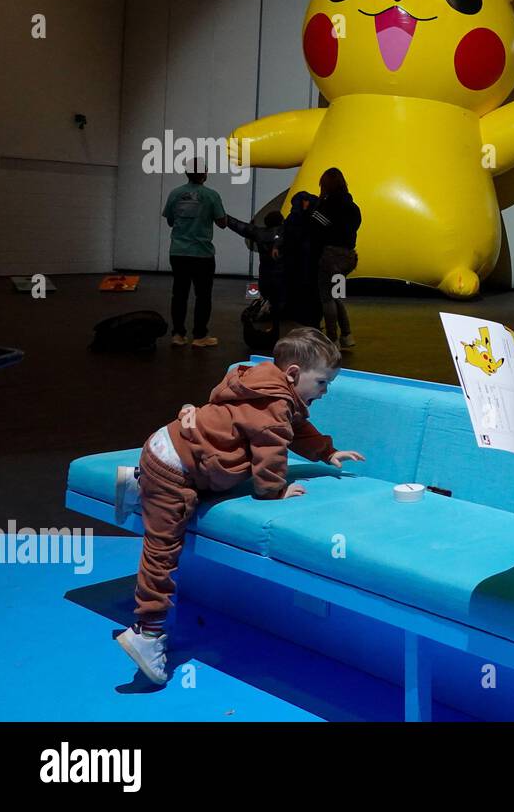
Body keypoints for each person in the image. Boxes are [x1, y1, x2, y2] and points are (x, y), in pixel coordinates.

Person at [112, 328, 365, 684]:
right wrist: (274, 491)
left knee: (192, 496)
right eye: (322, 382)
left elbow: (297, 427)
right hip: (175, 469)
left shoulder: (262, 385)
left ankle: (140, 484)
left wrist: (326, 451)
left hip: (166, 449)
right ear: (293, 374)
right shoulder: (275, 403)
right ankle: (148, 632)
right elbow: (271, 451)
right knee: (163, 548)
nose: (325, 391)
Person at [162, 161, 227, 347]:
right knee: (203, 296)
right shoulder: (211, 195)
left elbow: (170, 221)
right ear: (204, 174)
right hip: (202, 254)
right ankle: (199, 336)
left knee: (179, 294)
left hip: (178, 252)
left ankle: (178, 335)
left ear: (187, 173)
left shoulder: (175, 193)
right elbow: (222, 223)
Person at [310, 167, 362, 349]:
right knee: (337, 295)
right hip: (348, 258)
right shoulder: (354, 208)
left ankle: (332, 339)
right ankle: (347, 335)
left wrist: (316, 205)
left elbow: (316, 227)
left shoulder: (327, 206)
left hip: (330, 257)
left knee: (327, 297)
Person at [278, 191, 324, 335]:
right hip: (312, 261)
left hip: (296, 261)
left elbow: (285, 233)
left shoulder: (294, 217)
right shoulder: (317, 215)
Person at [226, 210, 285, 307]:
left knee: (266, 298)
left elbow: (238, 225)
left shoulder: (258, 233)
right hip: (282, 274)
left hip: (264, 273)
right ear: (281, 221)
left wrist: (224, 216)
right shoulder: (286, 232)